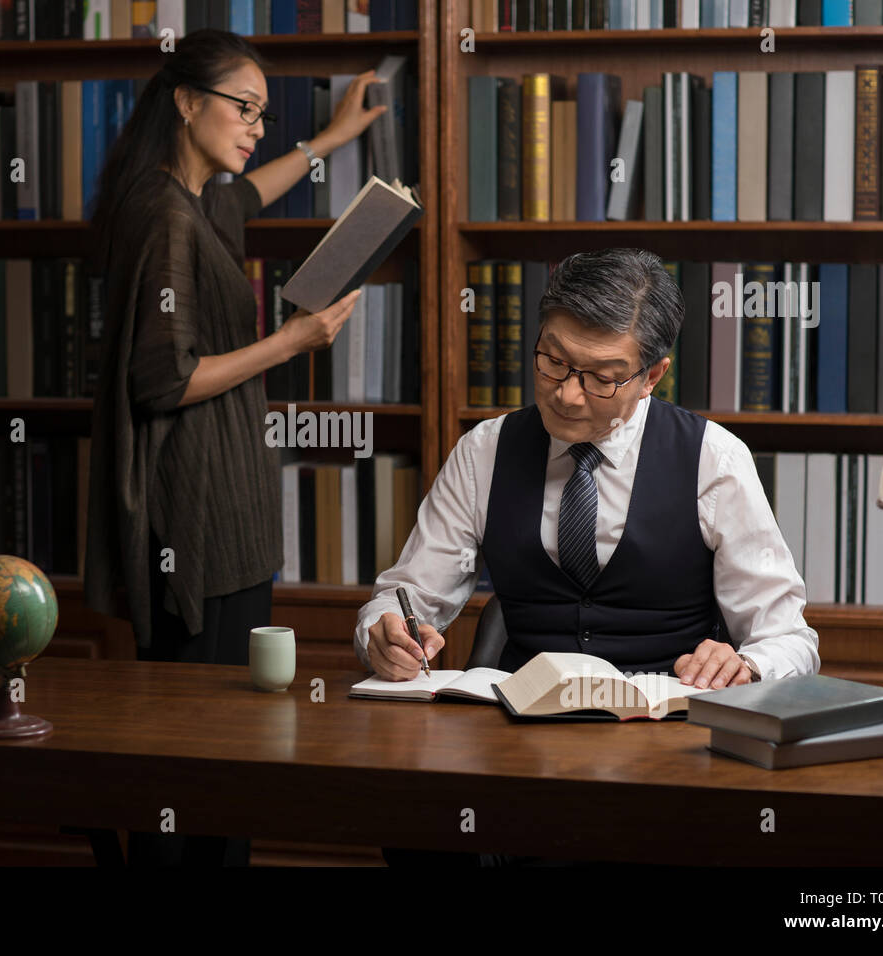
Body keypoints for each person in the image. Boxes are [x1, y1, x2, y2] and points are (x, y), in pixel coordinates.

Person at [355, 247, 822, 866]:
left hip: (667, 753)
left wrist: (747, 664)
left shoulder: (714, 460)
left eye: (603, 377)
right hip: (514, 750)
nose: (569, 395)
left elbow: (792, 640)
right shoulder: (485, 452)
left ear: (653, 375)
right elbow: (406, 597)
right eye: (553, 362)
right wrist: (384, 633)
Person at [80, 28, 388, 867]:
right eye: (243, 107)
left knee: (231, 752)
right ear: (185, 102)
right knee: (195, 759)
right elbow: (162, 383)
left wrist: (329, 142)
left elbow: (247, 194)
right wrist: (291, 344)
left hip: (226, 516)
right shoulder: (161, 217)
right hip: (194, 524)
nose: (256, 125)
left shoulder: (196, 199)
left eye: (264, 112)